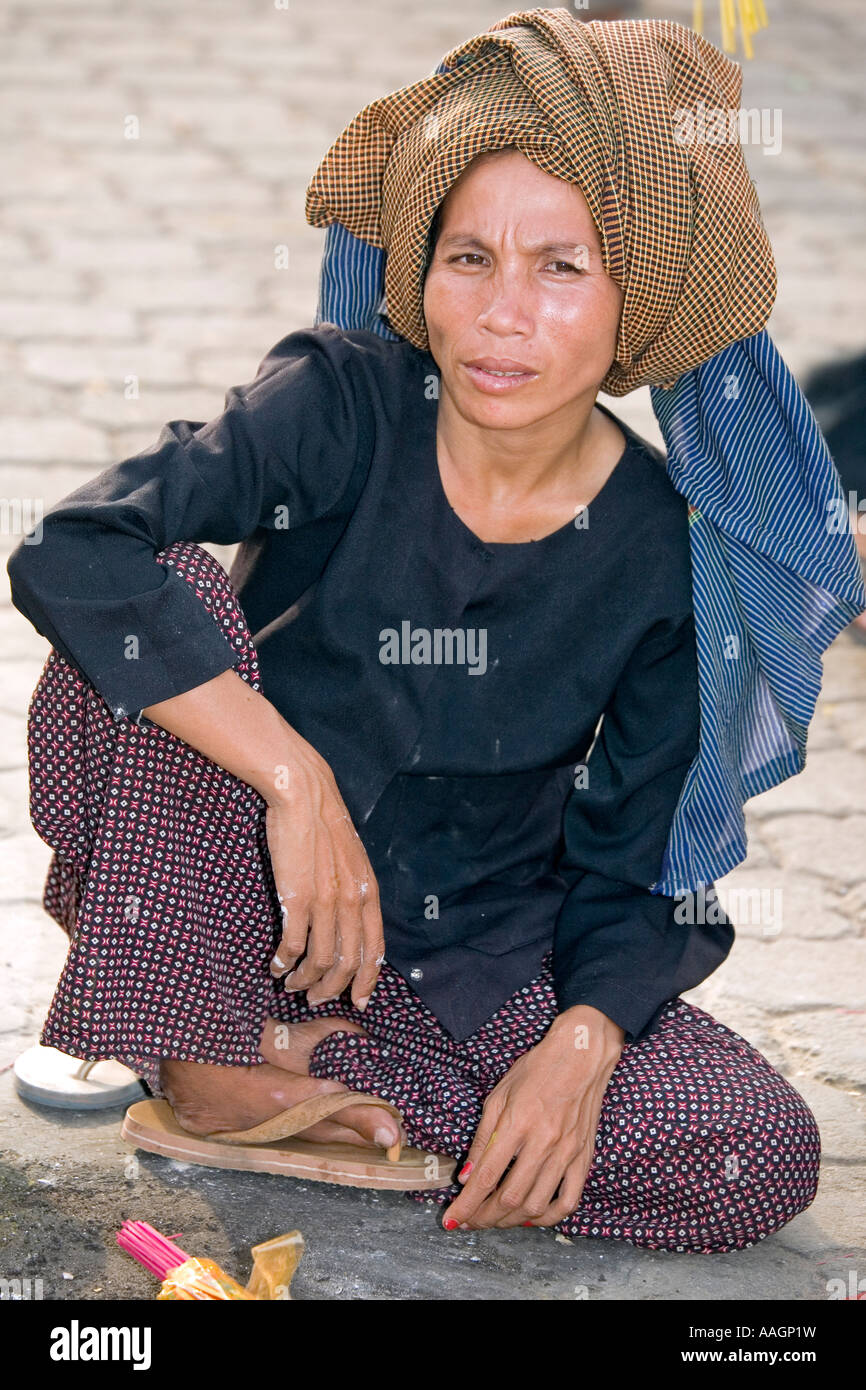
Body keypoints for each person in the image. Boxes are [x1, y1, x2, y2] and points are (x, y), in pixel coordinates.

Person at [8, 9, 860, 1254]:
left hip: (462, 959)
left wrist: (577, 1048)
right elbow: (71, 548)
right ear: (423, 273)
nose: (501, 313)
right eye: (469, 258)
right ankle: (208, 1052)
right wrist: (293, 780)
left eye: (560, 268)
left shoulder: (667, 554)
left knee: (754, 1149)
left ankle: (331, 1085)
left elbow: (637, 870)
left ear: (642, 303)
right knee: (158, 595)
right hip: (228, 889)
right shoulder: (344, 400)